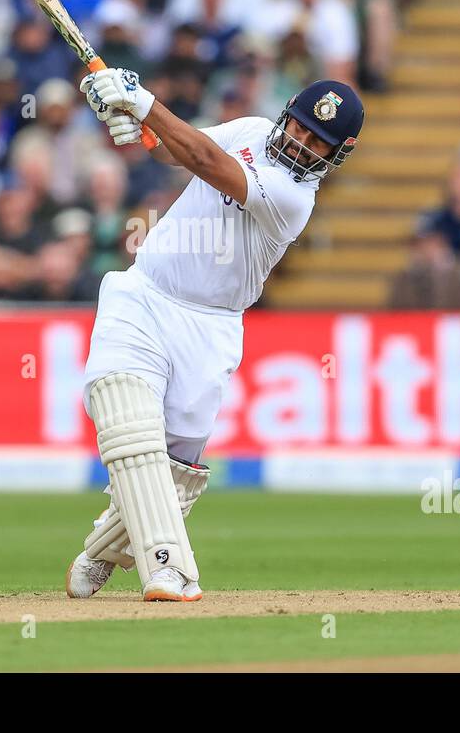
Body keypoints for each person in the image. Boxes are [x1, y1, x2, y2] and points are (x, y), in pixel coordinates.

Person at [66, 69, 363, 602]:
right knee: (124, 416)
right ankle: (169, 569)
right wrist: (135, 123)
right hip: (145, 294)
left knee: (174, 474)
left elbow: (207, 161)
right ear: (287, 114)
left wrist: (145, 101)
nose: (302, 143)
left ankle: (102, 551)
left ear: (335, 155)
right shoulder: (250, 129)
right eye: (299, 127)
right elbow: (181, 153)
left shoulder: (295, 198)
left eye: (319, 142)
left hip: (211, 327)